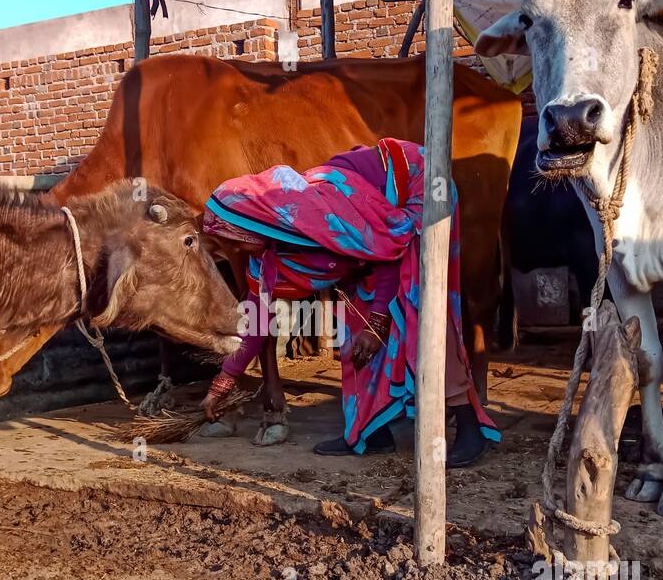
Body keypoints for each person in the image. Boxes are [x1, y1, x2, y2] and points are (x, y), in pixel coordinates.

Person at [199, 138, 498, 468]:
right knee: (354, 324)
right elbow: (256, 321)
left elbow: (386, 250)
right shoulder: (272, 249)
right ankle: (373, 428)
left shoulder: (321, 216)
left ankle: (469, 425)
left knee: (417, 306)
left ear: (251, 221)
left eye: (234, 242)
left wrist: (378, 321)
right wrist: (223, 382)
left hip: (419, 185)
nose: (237, 253)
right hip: (379, 228)